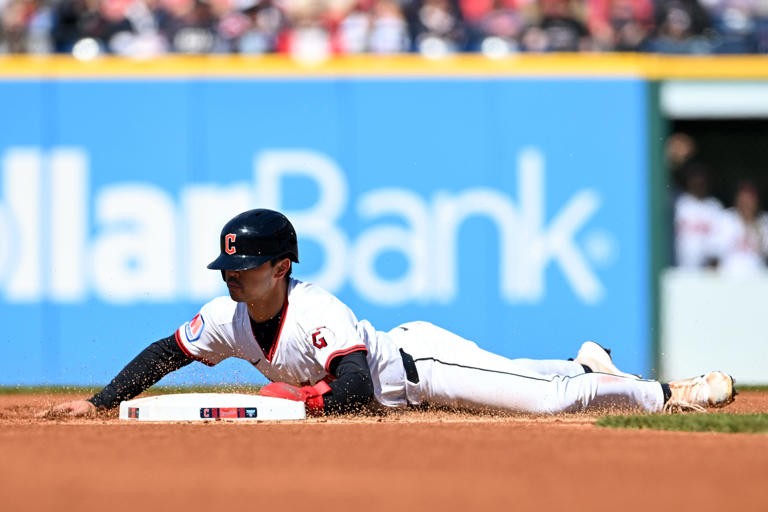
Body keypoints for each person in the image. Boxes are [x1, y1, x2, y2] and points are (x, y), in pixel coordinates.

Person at [47, 208, 736, 418]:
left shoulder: (317, 309)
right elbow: (164, 352)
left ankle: (664, 393)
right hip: (402, 388)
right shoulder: (227, 318)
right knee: (534, 382)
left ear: (280, 267)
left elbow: (350, 393)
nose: (232, 278)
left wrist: (284, 407)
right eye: (228, 268)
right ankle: (586, 362)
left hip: (419, 366)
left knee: (551, 405)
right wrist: (101, 400)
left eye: (244, 266)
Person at [712, 181, 768, 277]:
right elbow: (714, 253)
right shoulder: (725, 219)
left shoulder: (763, 221)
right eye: (743, 201)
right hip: (728, 279)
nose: (746, 205)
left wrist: (754, 225)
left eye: (750, 201)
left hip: (757, 280)